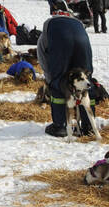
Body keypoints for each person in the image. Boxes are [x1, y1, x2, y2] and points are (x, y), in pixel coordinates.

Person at [36, 9, 94, 137]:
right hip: (83, 41)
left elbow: (42, 57)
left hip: (60, 41)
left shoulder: (46, 32)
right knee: (86, 82)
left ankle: (60, 126)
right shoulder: (77, 25)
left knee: (57, 82)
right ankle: (89, 126)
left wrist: (51, 79)